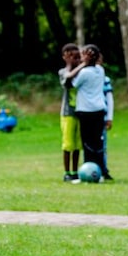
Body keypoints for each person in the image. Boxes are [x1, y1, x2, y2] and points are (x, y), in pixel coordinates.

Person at [64, 44, 113, 182]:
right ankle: (101, 173)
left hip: (86, 111)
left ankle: (89, 172)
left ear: (87, 57)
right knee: (98, 144)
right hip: (99, 110)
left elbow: (70, 81)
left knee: (87, 144)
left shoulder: (84, 73)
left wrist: (82, 65)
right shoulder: (100, 70)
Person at [57, 43, 81, 183]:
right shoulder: (62, 72)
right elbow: (67, 83)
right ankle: (66, 172)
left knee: (78, 145)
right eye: (71, 56)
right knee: (68, 144)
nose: (74, 59)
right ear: (64, 57)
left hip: (81, 112)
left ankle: (75, 171)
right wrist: (73, 66)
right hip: (68, 113)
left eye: (77, 56)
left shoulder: (82, 72)